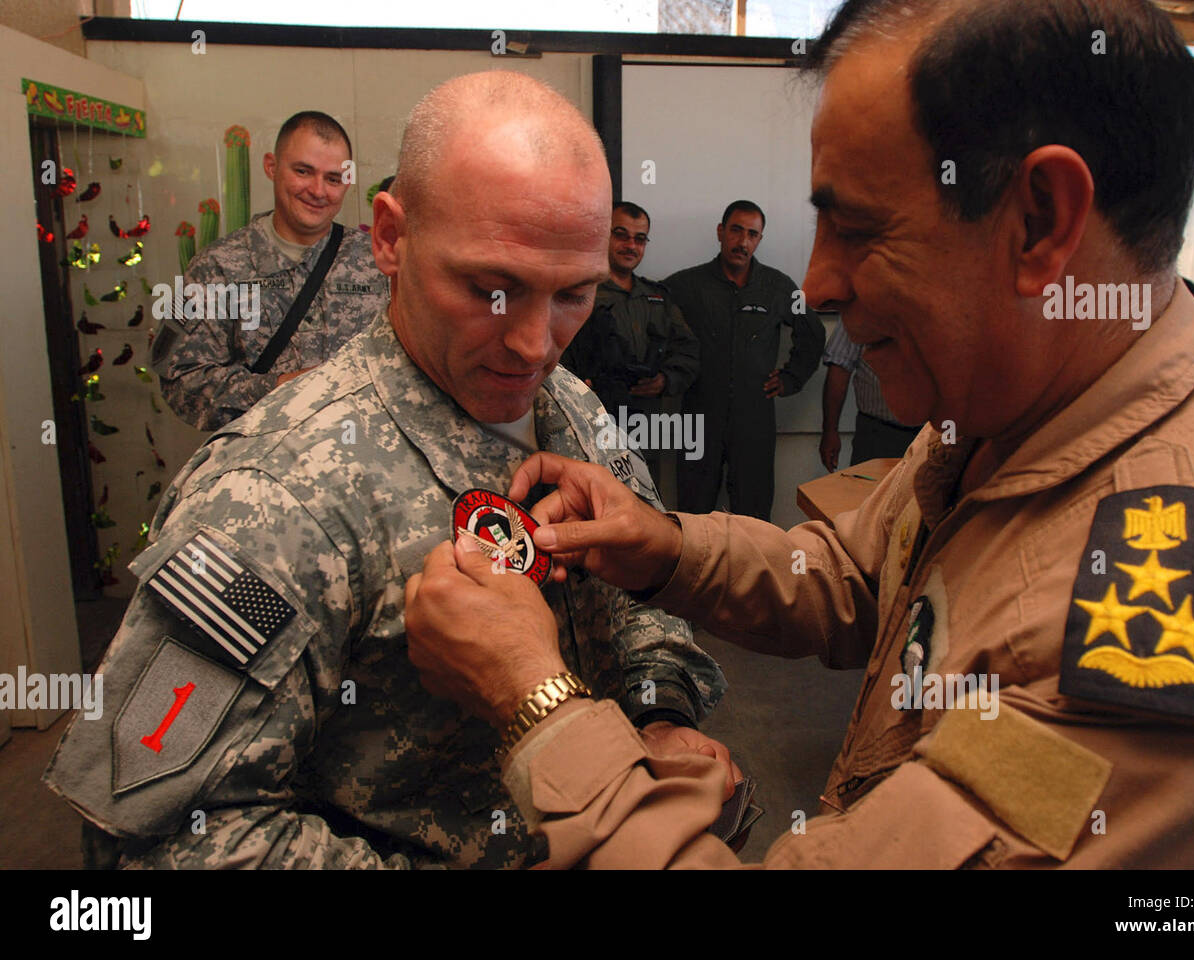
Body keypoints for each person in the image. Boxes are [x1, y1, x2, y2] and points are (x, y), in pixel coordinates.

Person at [402, 0, 1194, 868]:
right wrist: (664, 548)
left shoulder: (1155, 647)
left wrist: (540, 705)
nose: (820, 282)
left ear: (1041, 220)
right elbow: (851, 576)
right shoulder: (1007, 414)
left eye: (859, 228)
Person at [44, 73, 729, 869]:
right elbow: (156, 838)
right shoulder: (269, 496)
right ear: (391, 238)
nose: (535, 344)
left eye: (574, 295)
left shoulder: (571, 408)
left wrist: (656, 716)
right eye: (491, 289)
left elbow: (642, 591)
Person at [153, 111, 388, 430]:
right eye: (304, 171)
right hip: (262, 467)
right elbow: (182, 380)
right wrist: (279, 388)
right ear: (271, 167)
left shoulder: (378, 261)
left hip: (359, 461)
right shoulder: (216, 267)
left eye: (333, 179)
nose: (319, 191)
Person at [663, 201, 825, 521]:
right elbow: (649, 321)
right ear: (721, 232)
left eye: (753, 234)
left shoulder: (777, 287)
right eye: (736, 230)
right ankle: (694, 572)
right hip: (699, 416)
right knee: (693, 513)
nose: (743, 241)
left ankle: (750, 573)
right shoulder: (685, 286)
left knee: (753, 513)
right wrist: (667, 375)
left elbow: (813, 333)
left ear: (760, 239)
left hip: (754, 419)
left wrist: (792, 378)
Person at [560, 202, 700, 495]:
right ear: (603, 235)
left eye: (640, 238)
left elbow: (688, 351)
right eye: (621, 235)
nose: (631, 245)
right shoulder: (578, 292)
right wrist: (579, 387)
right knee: (591, 501)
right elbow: (553, 352)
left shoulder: (657, 297)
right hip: (591, 422)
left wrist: (665, 380)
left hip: (645, 424)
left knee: (645, 502)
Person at [819, 318, 919, 472]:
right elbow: (839, 369)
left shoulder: (944, 307)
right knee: (867, 493)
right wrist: (830, 430)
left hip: (930, 435)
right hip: (876, 433)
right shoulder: (861, 307)